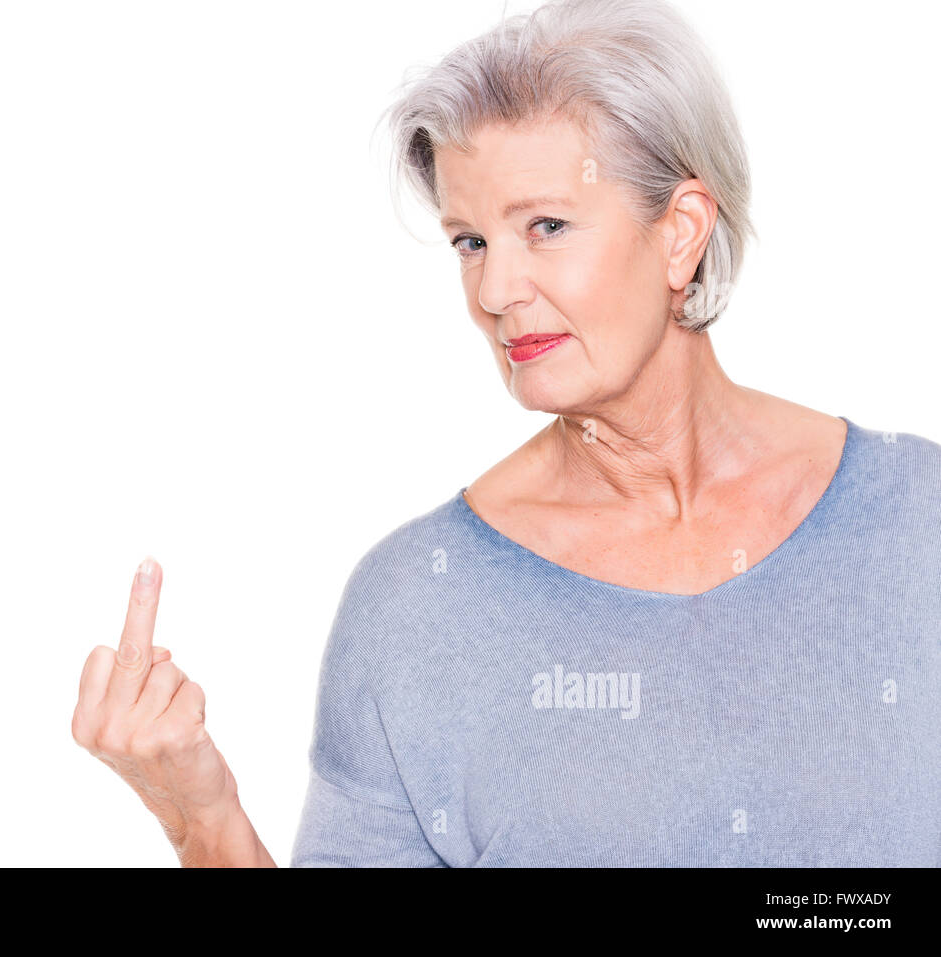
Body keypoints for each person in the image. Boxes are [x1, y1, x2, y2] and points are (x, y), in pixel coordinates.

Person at [70, 0, 941, 866]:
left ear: (680, 235)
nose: (495, 291)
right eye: (470, 241)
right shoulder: (418, 609)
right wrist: (201, 818)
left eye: (546, 227)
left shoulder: (918, 516)